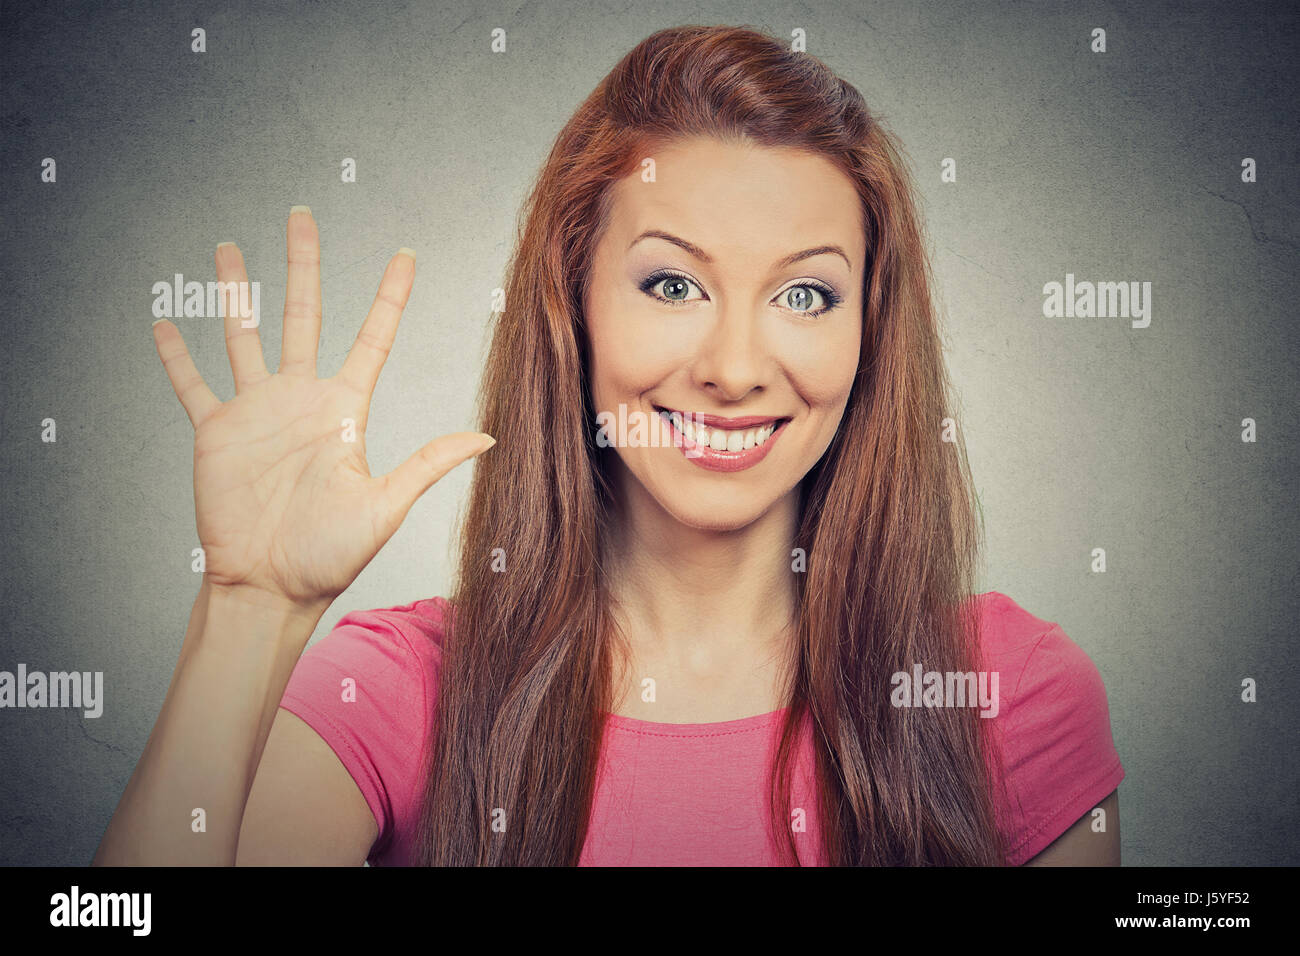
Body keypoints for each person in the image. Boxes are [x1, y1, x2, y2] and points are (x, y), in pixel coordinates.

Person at [94, 25, 1123, 867]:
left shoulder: (1008, 685)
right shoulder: (399, 690)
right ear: (572, 305)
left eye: (805, 293)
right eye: (671, 283)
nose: (733, 365)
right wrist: (248, 610)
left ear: (868, 332)